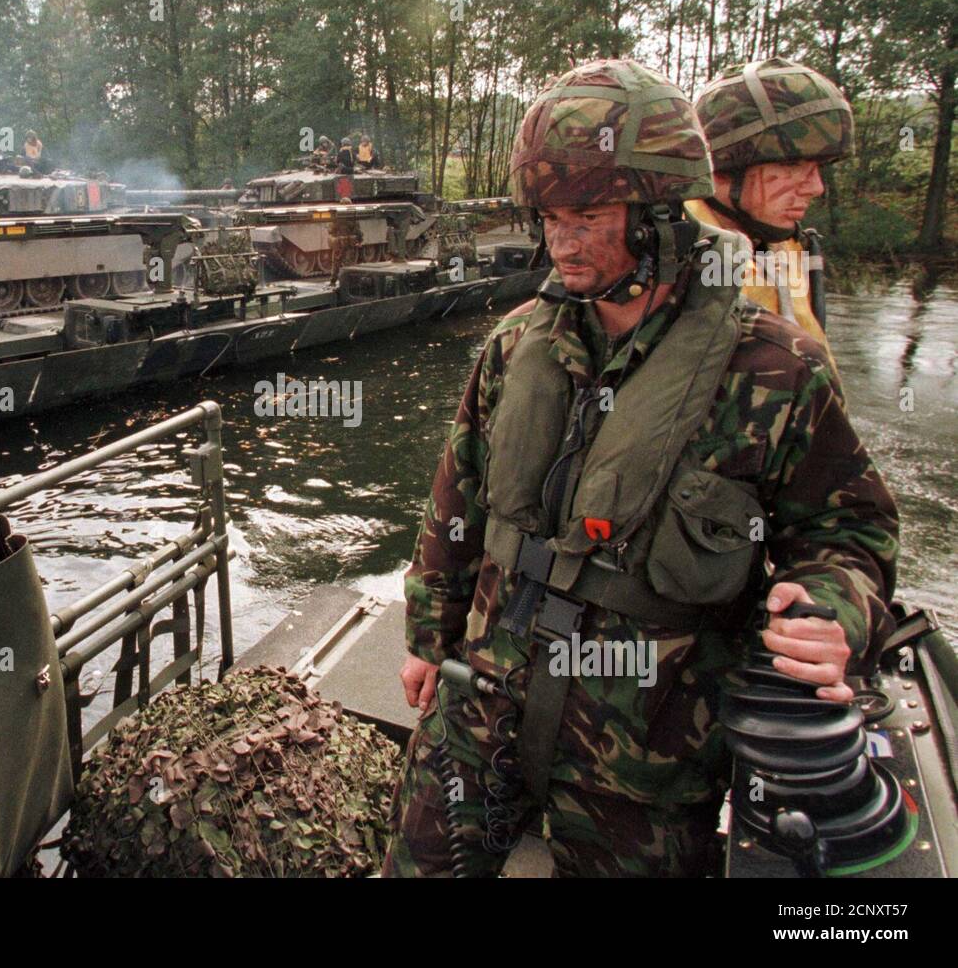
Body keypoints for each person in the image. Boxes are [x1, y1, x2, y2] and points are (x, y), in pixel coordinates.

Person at [383, 58, 898, 878]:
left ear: (661, 216)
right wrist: (425, 636)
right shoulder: (518, 346)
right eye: (549, 216)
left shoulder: (774, 371)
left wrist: (833, 609)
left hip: (645, 764)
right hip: (478, 713)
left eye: (587, 213)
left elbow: (849, 527)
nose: (561, 239)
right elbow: (456, 505)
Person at [689, 58, 853, 356]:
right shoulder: (666, 265)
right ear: (723, 165)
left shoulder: (779, 248)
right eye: (791, 164)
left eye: (819, 167)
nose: (816, 187)